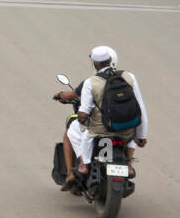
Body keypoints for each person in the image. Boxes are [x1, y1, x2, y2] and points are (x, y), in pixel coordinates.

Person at [55, 46, 148, 189]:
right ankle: (129, 164)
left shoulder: (90, 82)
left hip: (101, 131)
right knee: (132, 130)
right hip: (126, 130)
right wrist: (142, 136)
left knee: (74, 131)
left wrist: (82, 118)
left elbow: (84, 112)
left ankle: (83, 166)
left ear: (94, 63)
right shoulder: (129, 77)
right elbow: (141, 110)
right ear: (111, 61)